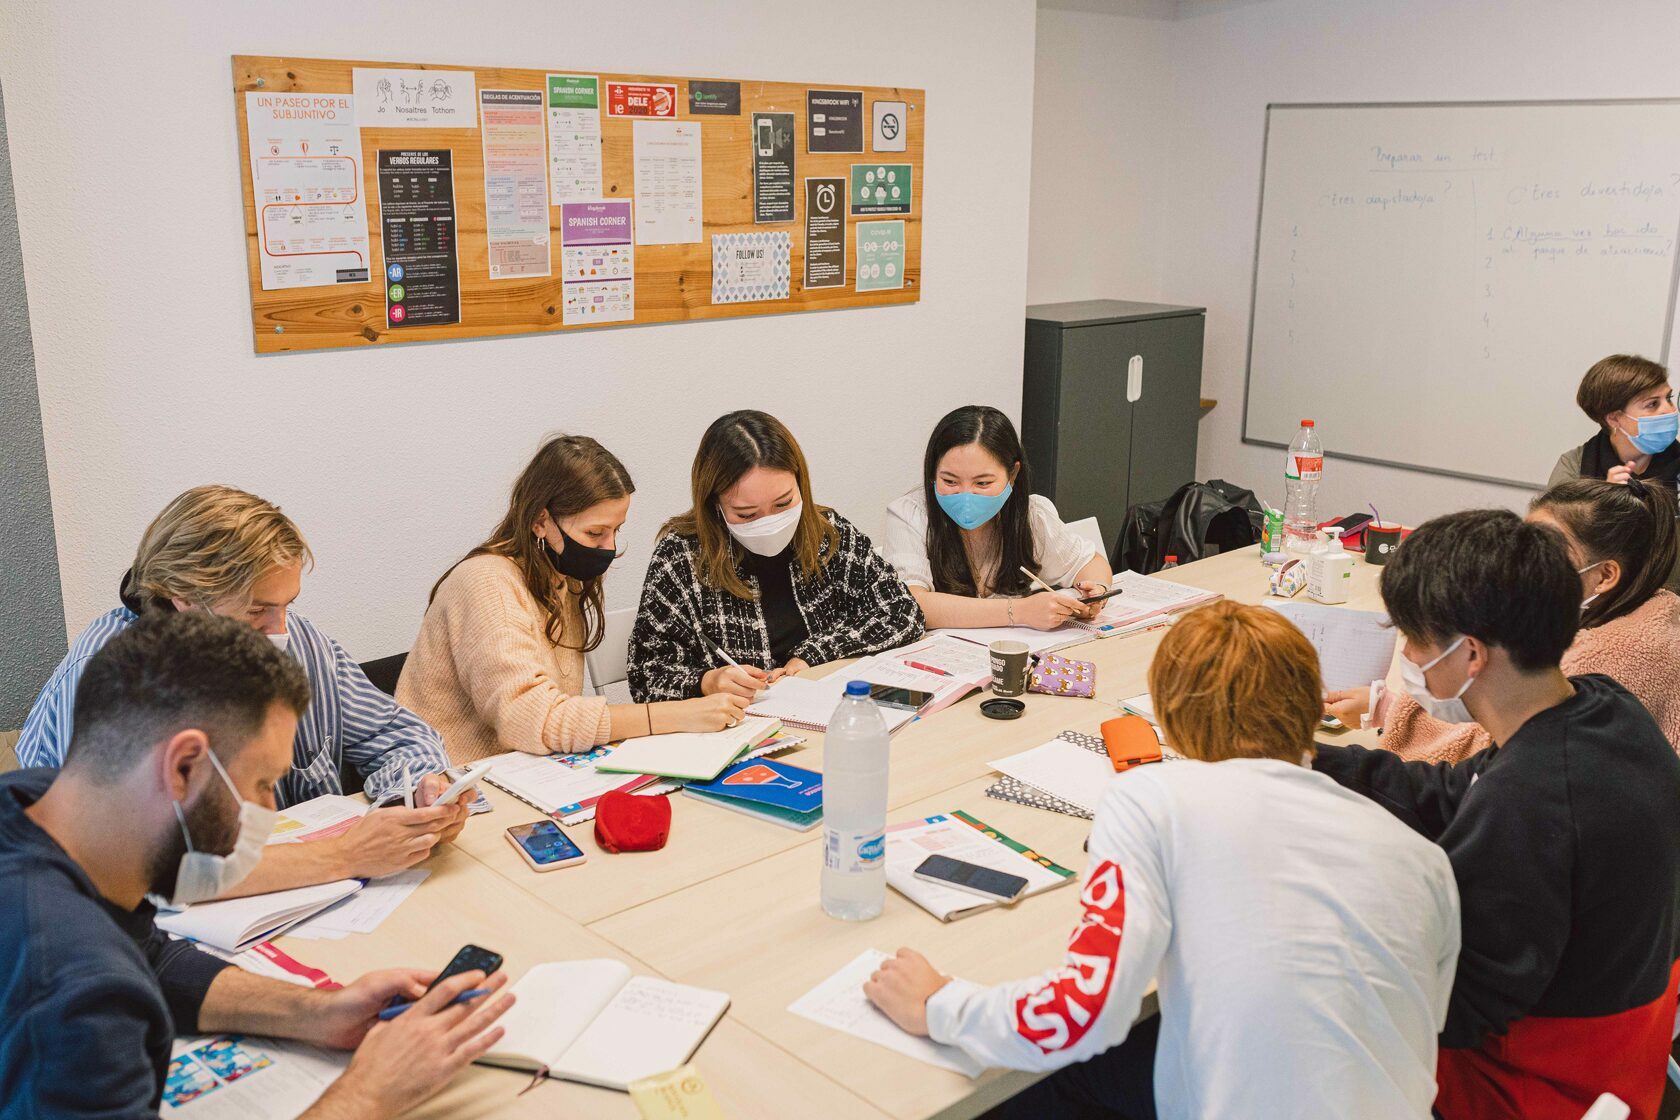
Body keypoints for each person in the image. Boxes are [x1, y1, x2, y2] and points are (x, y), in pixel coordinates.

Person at [864, 600, 1460, 1120]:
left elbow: (1081, 1015)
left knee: (1012, 1090)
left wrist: (939, 1004)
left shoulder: (1152, 799)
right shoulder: (1421, 857)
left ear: (1168, 723)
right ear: (1314, 706)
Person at [0, 610, 514, 1119]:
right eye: (262, 783)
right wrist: (367, 1094)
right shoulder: (70, 990)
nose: (269, 811)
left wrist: (319, 1011)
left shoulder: (37, 804)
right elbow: (107, 974)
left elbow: (149, 955)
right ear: (183, 767)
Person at [1312, 509, 1680, 1120]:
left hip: (1525, 1088)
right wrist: (1308, 760)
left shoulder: (1534, 801)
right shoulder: (1600, 709)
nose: (1405, 655)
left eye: (1413, 639)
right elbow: (1454, 790)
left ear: (1471, 655)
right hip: (1618, 1060)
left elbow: (1449, 1011)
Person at [16, 485, 468, 897]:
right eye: (258, 611)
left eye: (287, 605)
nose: (281, 631)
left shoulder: (303, 644)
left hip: (314, 900)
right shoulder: (111, 678)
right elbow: (122, 869)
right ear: (183, 595)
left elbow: (398, 735)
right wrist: (345, 854)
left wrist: (418, 794)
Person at [398, 435, 749, 764]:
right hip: (448, 788)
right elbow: (532, 718)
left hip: (521, 772)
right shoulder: (486, 583)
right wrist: (677, 714)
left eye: (616, 530)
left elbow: (557, 717)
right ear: (540, 522)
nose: (609, 548)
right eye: (595, 533)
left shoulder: (563, 581)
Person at [1325, 478, 1680, 762]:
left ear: (1604, 575)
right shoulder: (1620, 618)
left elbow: (1490, 745)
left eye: (1547, 548)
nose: (1524, 560)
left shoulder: (1616, 658)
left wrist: (1392, 711)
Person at [629, 410, 924, 701]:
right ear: (714, 506)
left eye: (783, 504)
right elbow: (646, 676)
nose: (768, 522)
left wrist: (813, 654)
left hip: (824, 705)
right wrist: (706, 681)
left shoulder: (827, 534)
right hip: (732, 728)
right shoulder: (681, 558)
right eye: (746, 514)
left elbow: (902, 611)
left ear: (801, 485)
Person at [881, 405, 1113, 631]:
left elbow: (1089, 562)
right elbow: (912, 603)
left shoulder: (1031, 515)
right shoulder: (910, 515)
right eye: (950, 481)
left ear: (1013, 475)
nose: (966, 495)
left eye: (982, 483)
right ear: (933, 473)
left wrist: (1096, 592)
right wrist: (1020, 611)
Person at [1549, 354, 1678, 488]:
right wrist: (1608, 499)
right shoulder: (1574, 466)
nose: (1671, 410)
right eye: (1652, 404)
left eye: (1669, 398)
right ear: (1614, 418)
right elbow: (1552, 509)